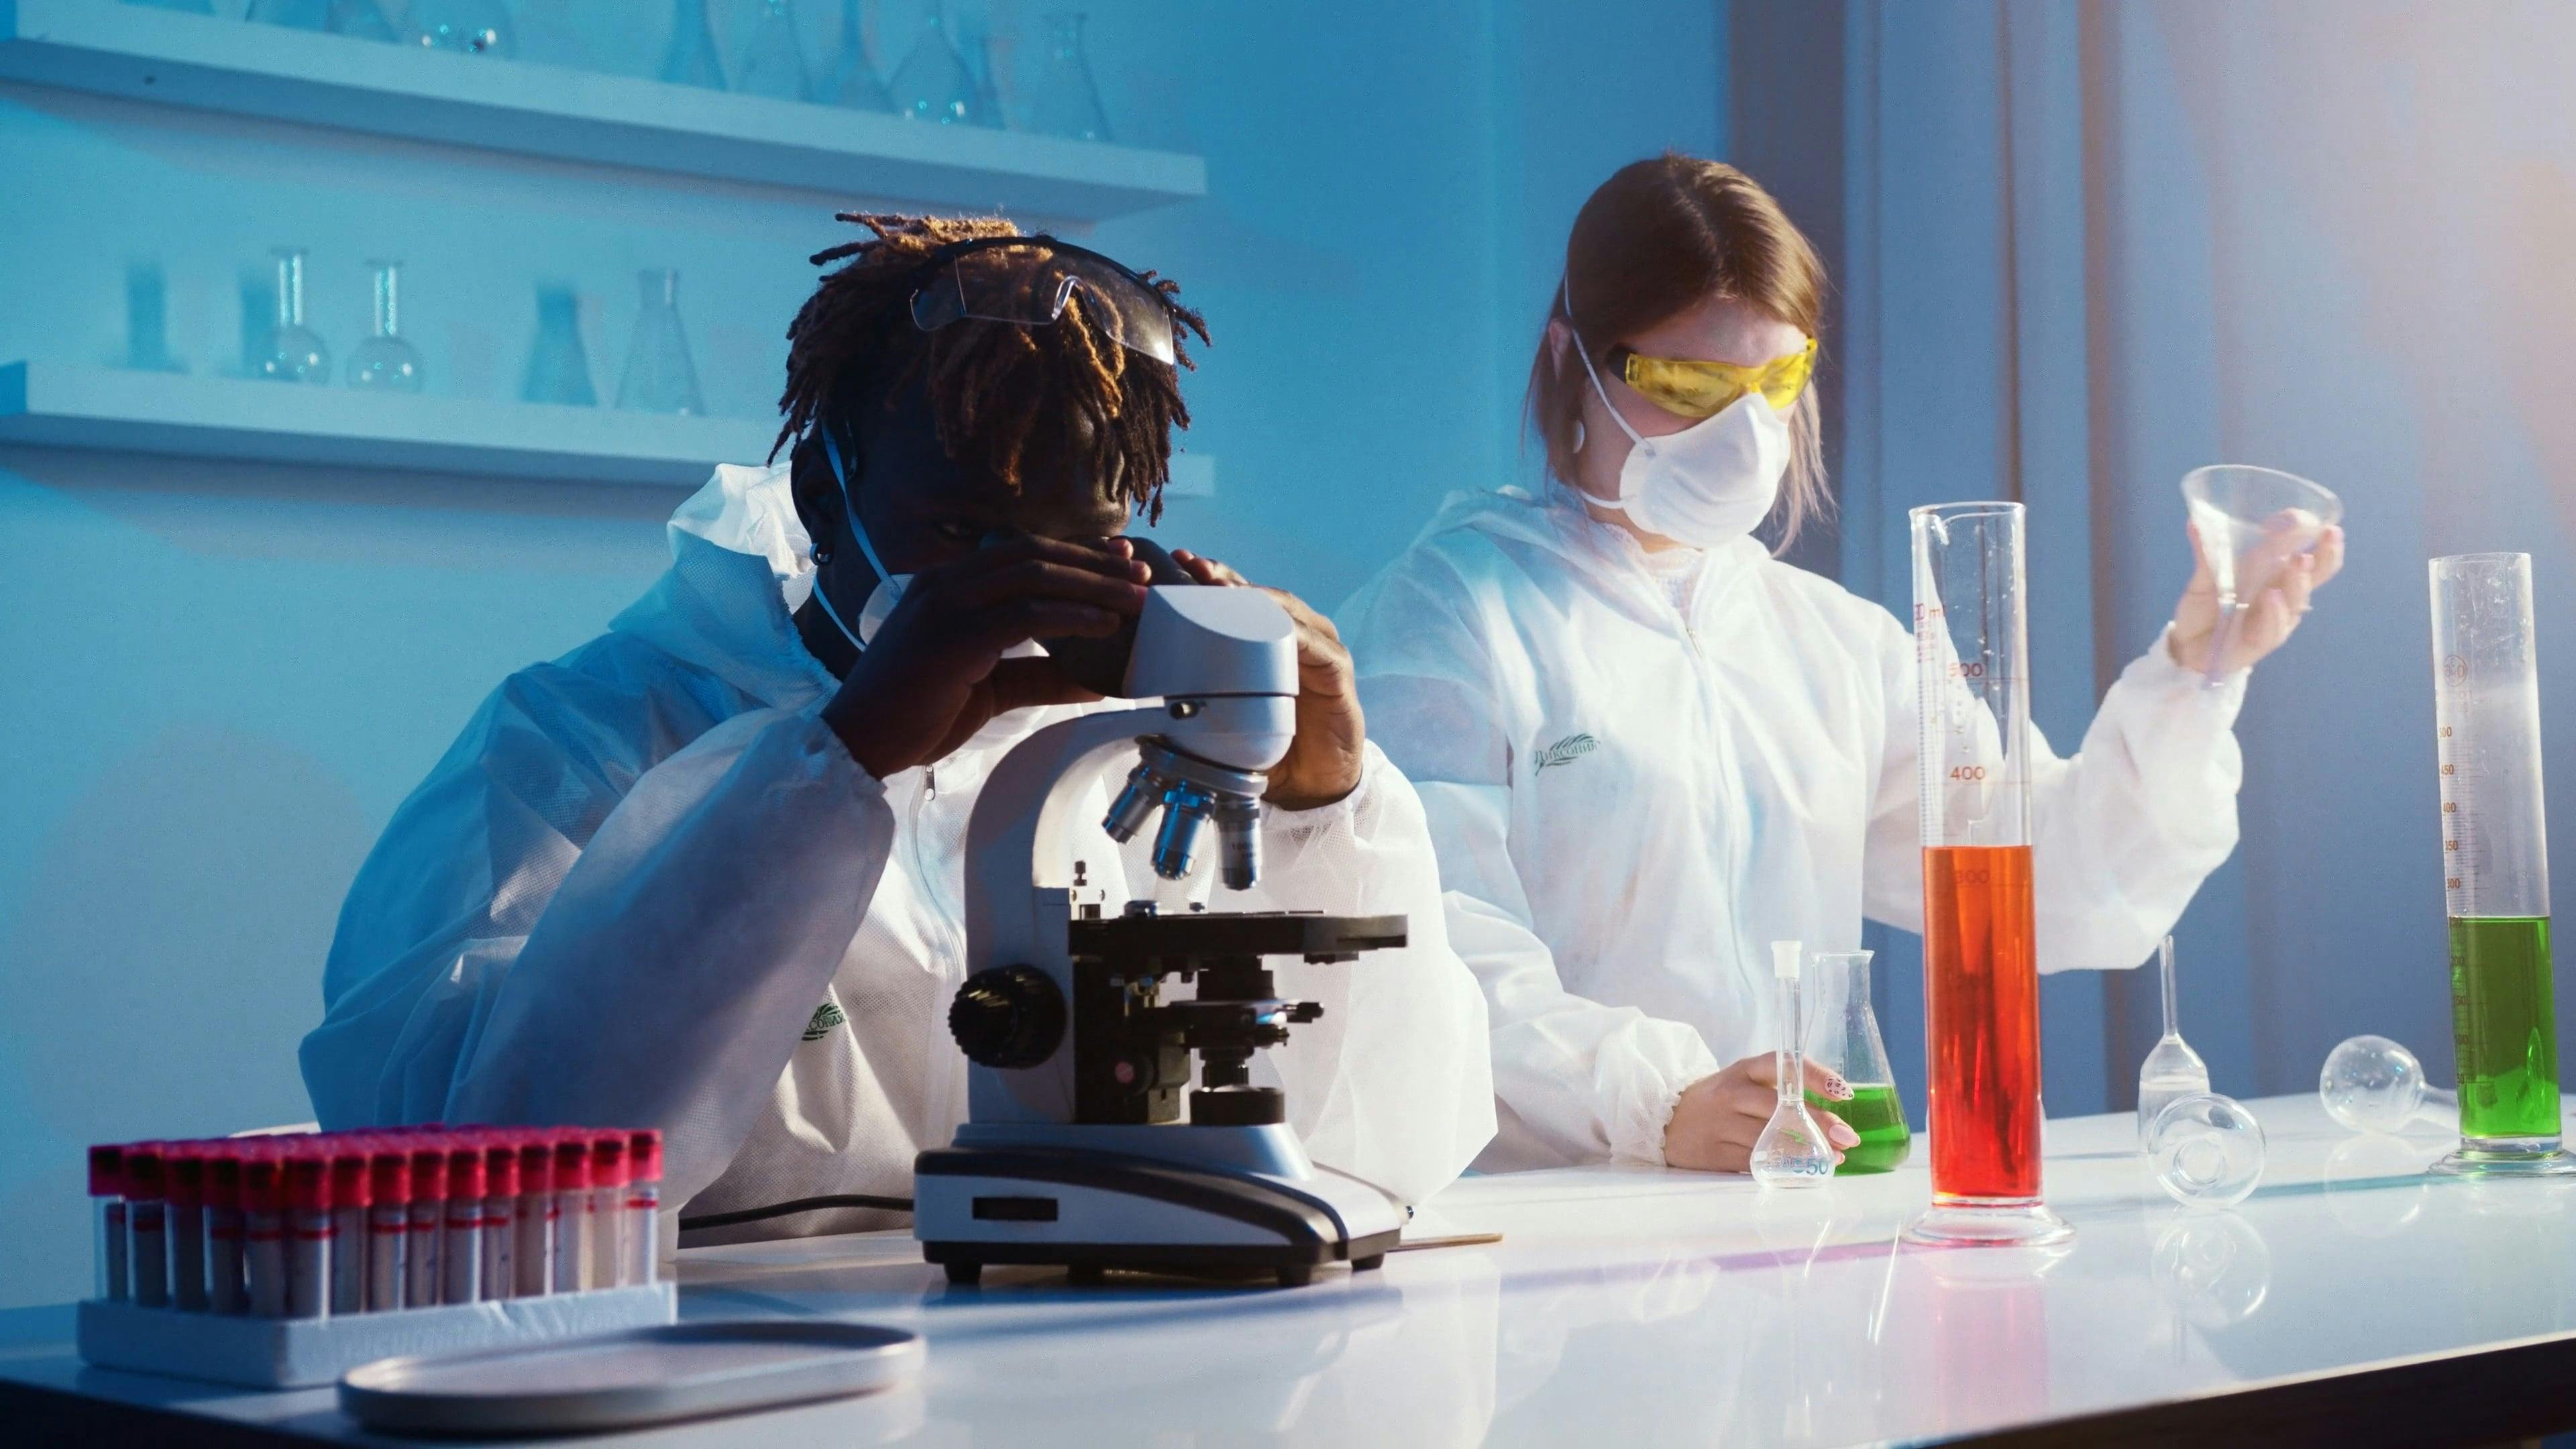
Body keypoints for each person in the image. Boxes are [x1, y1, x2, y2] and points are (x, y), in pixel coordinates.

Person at [302, 213, 1494, 1238]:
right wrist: (843, 758)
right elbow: (461, 1172)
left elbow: (1390, 1135)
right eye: (968, 530)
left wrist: (1329, 802)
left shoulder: (1140, 759)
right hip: (702, 1363)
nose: (1020, 587)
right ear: (824, 492)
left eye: (1073, 539)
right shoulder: (582, 735)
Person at [1338, 156, 2343, 1174]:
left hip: (1792, 1198)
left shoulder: (1829, 641)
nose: (1741, 436)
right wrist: (1654, 1101)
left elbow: (2058, 877)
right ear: (1573, 360)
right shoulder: (1451, 614)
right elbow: (1433, 939)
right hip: (1560, 1223)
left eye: (1774, 383)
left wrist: (2194, 673)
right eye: (1687, 385)